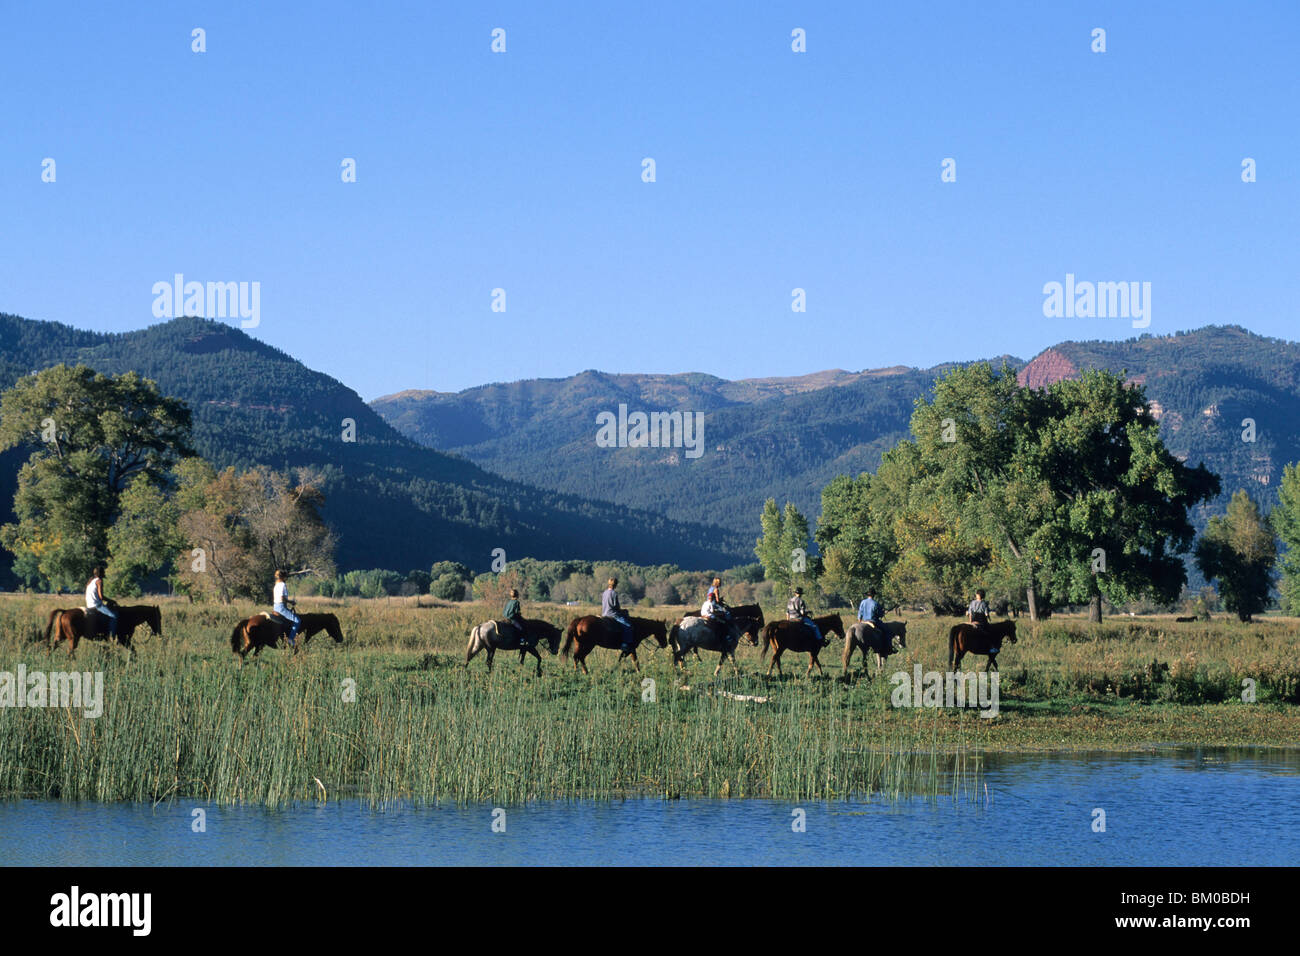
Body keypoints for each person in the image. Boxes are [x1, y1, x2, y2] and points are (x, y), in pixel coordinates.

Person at [601, 576, 634, 651]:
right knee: (628, 625)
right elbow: (616, 607)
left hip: (604, 614)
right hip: (613, 614)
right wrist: (623, 611)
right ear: (615, 585)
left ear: (608, 584)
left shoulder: (604, 593)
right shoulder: (614, 593)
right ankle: (624, 644)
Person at [84, 566, 117, 639]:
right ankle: (112, 636)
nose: (104, 573)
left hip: (89, 605)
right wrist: (111, 601)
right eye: (103, 572)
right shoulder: (99, 581)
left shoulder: (90, 581)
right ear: (101, 573)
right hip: (96, 605)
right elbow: (101, 596)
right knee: (113, 616)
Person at [273, 569, 301, 649]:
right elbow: (282, 598)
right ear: (284, 577)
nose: (286, 578)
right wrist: (291, 602)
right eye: (286, 577)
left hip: (275, 606)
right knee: (297, 620)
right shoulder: (282, 585)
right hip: (281, 607)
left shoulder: (276, 585)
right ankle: (290, 639)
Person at [700, 577, 731, 641]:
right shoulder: (716, 589)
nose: (721, 583)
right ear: (718, 583)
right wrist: (721, 600)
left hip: (708, 603)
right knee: (727, 612)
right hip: (714, 605)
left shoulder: (710, 588)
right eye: (720, 582)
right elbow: (717, 600)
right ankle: (728, 627)